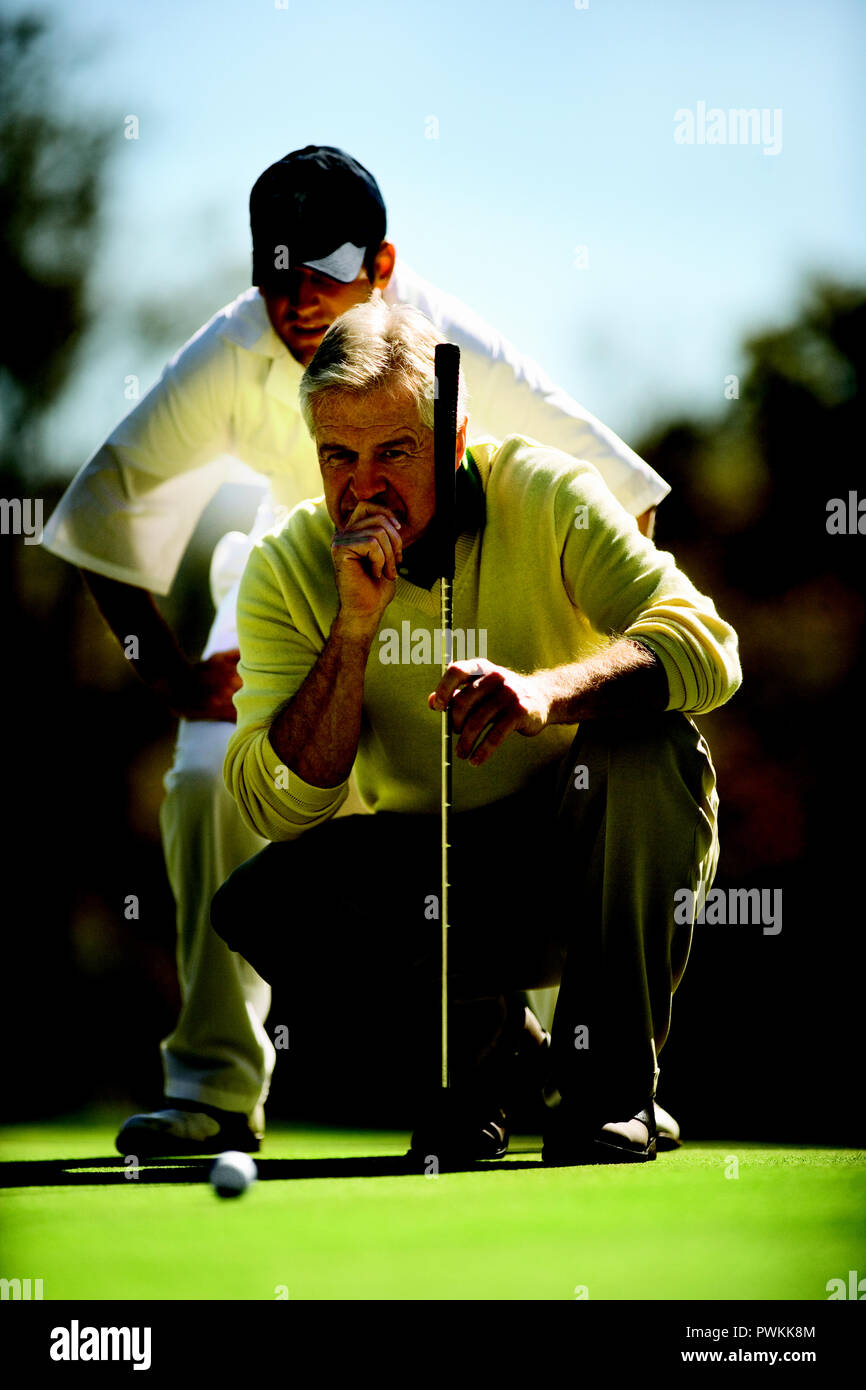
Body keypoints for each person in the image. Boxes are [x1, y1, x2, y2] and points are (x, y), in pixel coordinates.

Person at [42, 146, 672, 1157]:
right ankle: (211, 1085)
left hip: (470, 614)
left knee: (569, 779)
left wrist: (564, 680)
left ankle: (563, 1063)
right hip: (289, 601)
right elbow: (100, 515)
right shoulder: (229, 347)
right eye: (273, 273)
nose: (292, 301)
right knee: (206, 779)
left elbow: (623, 494)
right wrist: (162, 672)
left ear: (382, 266)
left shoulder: (451, 349)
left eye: (320, 273)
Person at [210, 296, 742, 1165]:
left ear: (454, 441)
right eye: (338, 456)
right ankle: (494, 1061)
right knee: (267, 902)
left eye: (395, 451)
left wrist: (547, 694)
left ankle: (611, 1089)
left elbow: (709, 649)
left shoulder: (549, 493)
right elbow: (277, 804)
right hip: (437, 895)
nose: (363, 484)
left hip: (586, 863)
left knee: (654, 745)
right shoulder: (286, 566)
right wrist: (352, 631)